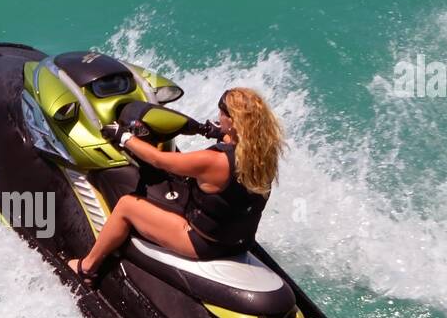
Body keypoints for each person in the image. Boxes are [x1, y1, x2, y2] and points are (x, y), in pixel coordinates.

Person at [66, 87, 285, 281]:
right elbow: (235, 148)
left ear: (234, 122)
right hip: (239, 241)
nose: (219, 117)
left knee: (126, 205)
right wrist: (216, 132)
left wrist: (124, 137)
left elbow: (159, 160)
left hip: (204, 243)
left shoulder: (214, 161)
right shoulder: (265, 153)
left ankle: (86, 268)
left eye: (223, 114)